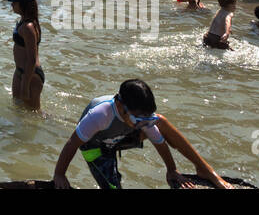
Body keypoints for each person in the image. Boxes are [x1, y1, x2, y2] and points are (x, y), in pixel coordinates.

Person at [51, 79, 229, 189]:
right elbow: (72, 143)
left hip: (120, 136)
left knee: (161, 121)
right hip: (96, 145)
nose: (143, 124)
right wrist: (60, 174)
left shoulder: (141, 119)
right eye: (139, 120)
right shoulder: (100, 116)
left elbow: (159, 142)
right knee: (113, 186)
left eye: (146, 119)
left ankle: (204, 169)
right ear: (121, 106)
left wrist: (172, 169)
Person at [11, 0, 44, 109]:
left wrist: (25, 85)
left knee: (34, 117)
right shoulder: (24, 21)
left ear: (22, 4)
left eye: (14, 2)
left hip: (30, 75)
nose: (12, 4)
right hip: (21, 72)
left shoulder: (28, 27)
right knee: (18, 110)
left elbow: (31, 59)